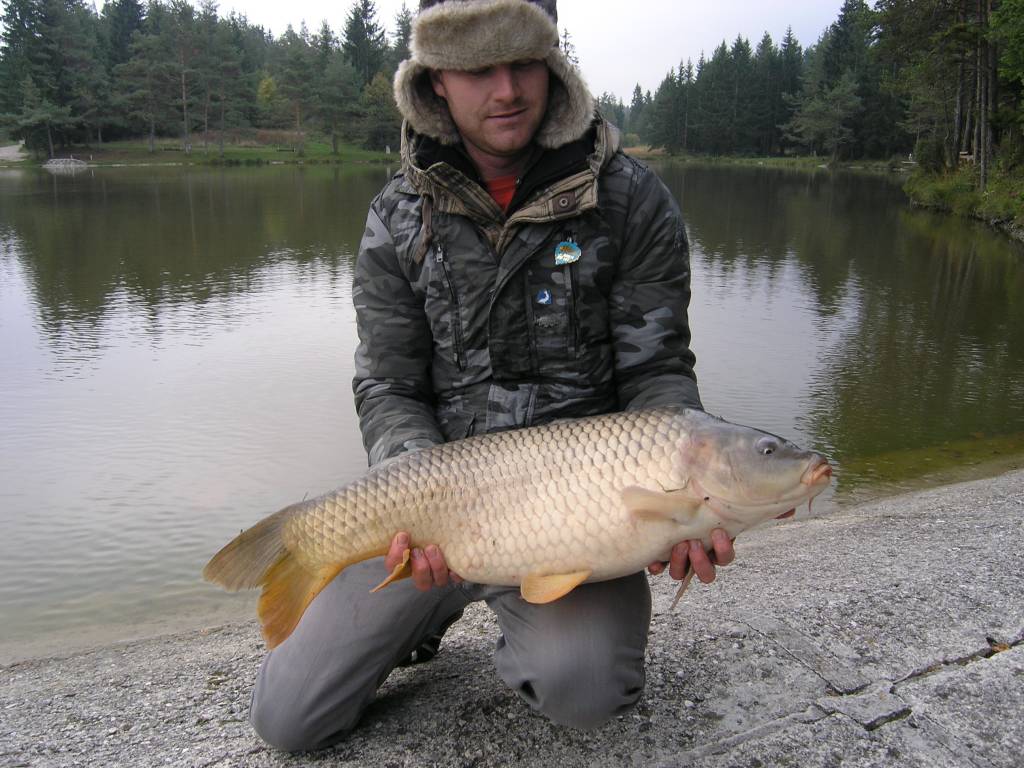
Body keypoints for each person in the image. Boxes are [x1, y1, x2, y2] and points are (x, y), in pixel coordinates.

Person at [249, 0, 735, 751]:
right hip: (438, 505)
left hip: (577, 514)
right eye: (478, 68)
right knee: (287, 723)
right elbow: (388, 385)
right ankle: (429, 607)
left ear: (552, 62)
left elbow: (658, 372)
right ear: (436, 81)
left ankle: (522, 621)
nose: (506, 89)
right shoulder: (396, 218)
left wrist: (683, 492)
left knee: (587, 690)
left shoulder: (631, 200)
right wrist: (412, 485)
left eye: (522, 62)